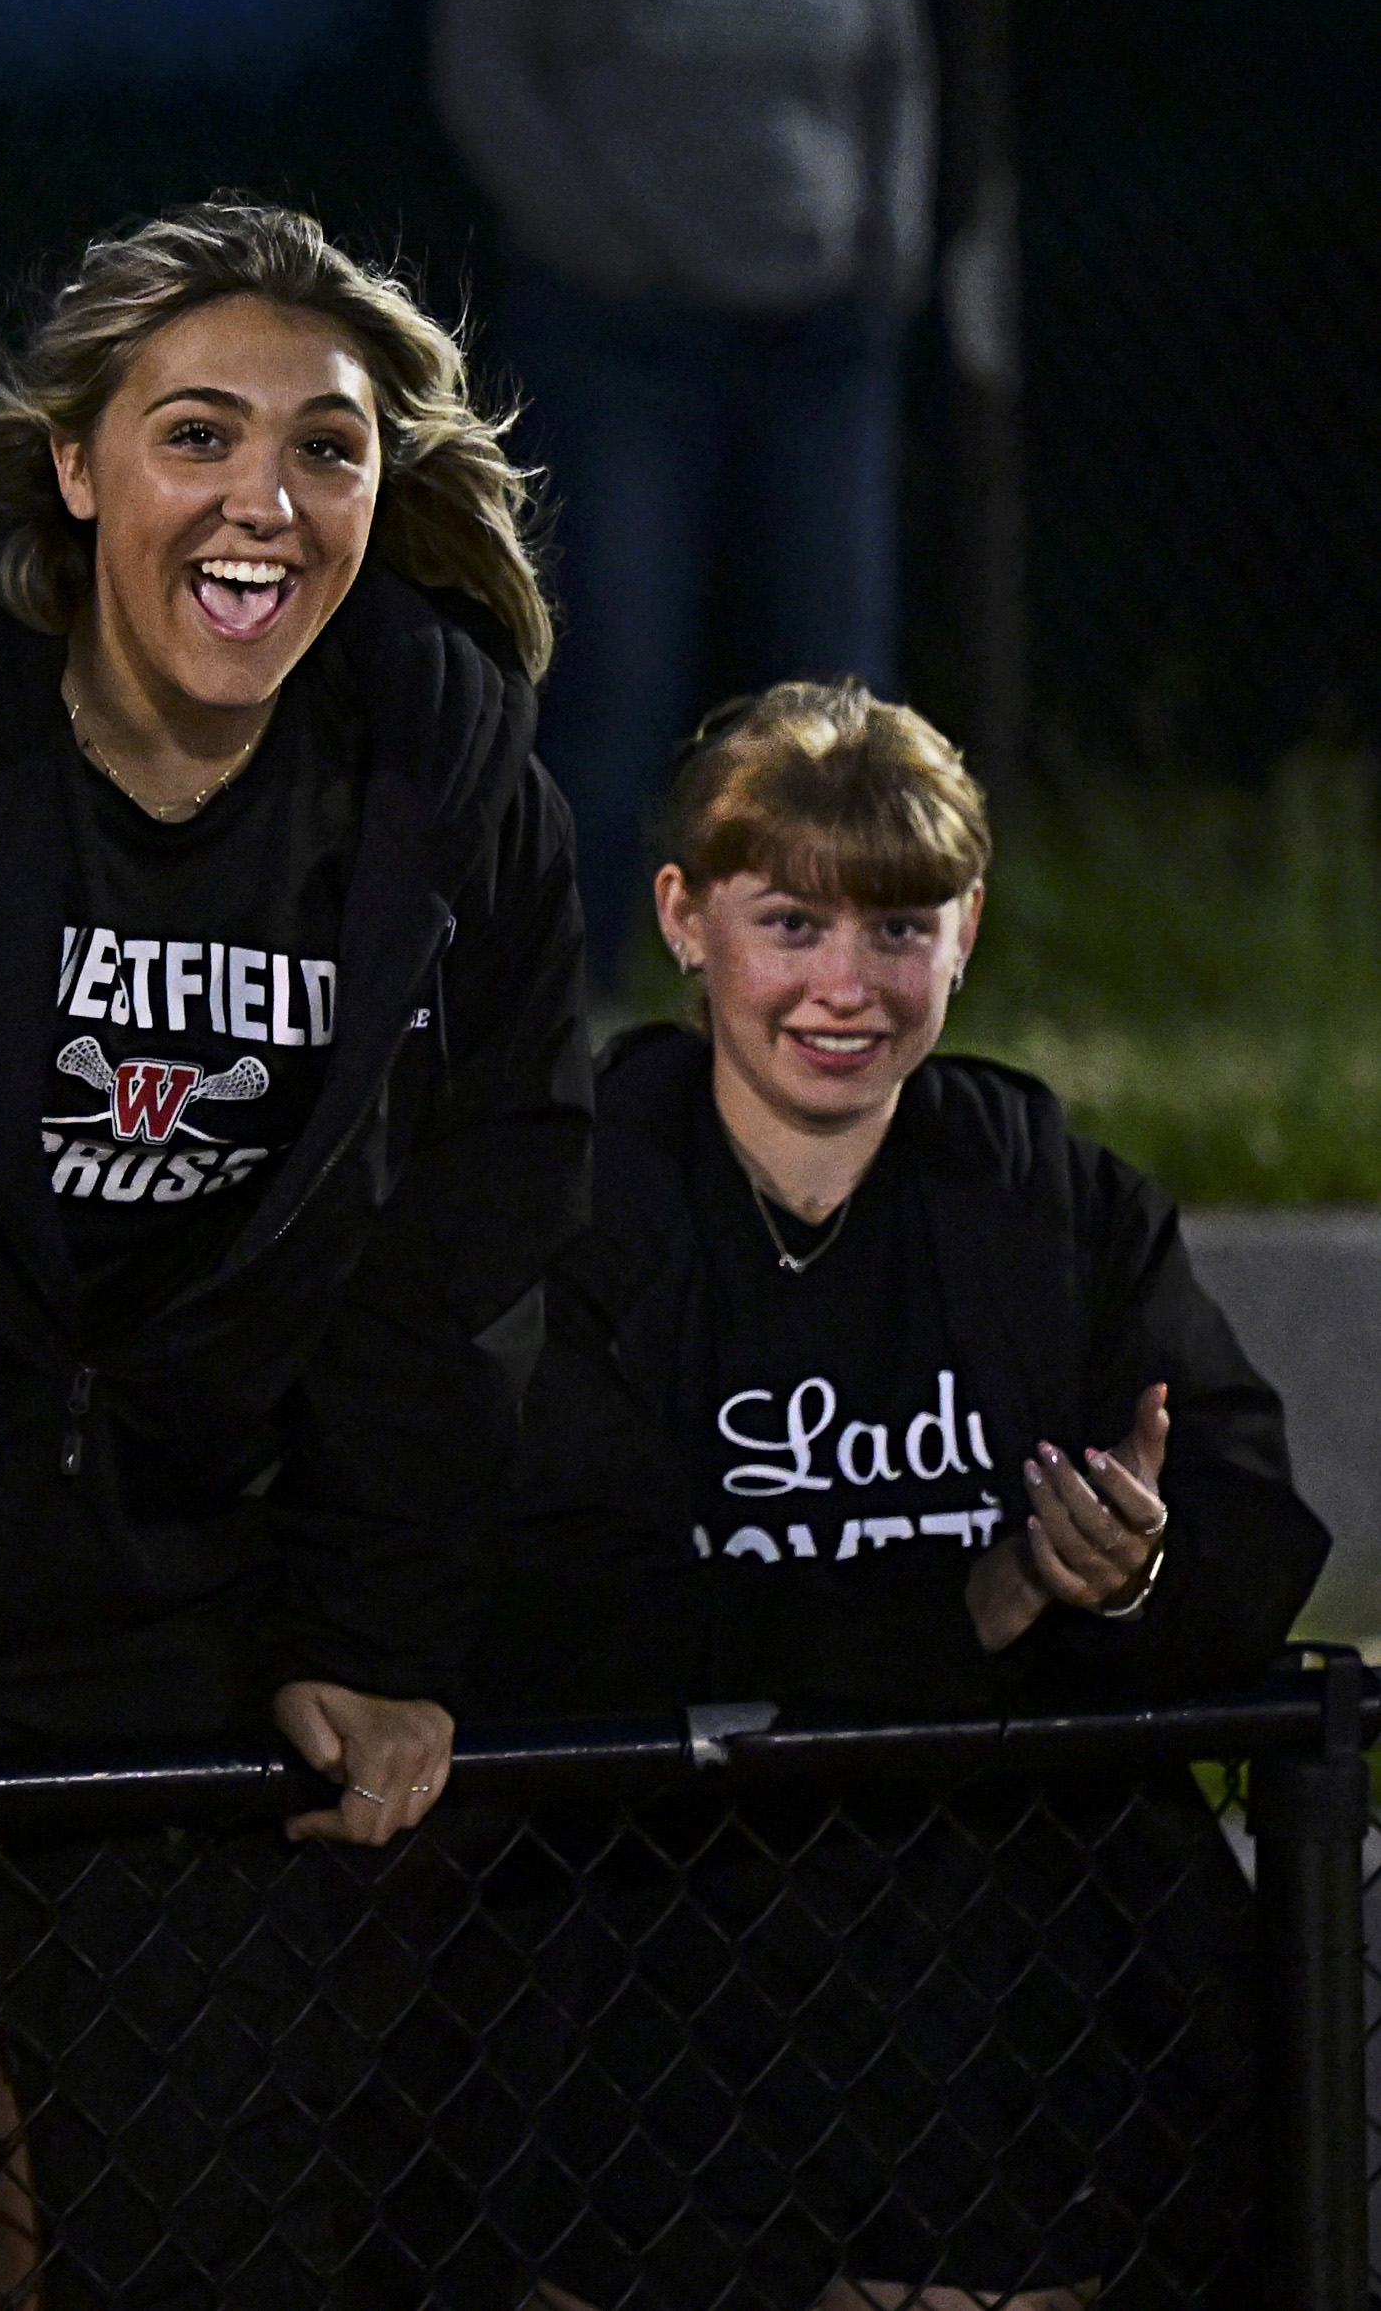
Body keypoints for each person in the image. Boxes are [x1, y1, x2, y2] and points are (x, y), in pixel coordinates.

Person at [0, 198, 587, 2307]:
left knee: (116, 2227)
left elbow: (459, 1232)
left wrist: (370, 1617)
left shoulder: (440, 780)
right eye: (196, 433)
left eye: (325, 447)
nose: (261, 496)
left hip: (179, 1578)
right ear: (74, 466)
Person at [473, 681, 1325, 2307]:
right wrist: (964, 1604)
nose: (841, 986)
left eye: (898, 925)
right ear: (680, 916)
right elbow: (555, 1594)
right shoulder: (575, 1193)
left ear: (968, 931)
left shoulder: (1039, 1186)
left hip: (996, 1963)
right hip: (668, 1932)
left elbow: (1244, 1508)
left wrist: (1128, 1569)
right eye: (787, 920)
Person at [433, 0, 934, 981]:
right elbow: (482, 73)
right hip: (620, 337)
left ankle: (844, 993)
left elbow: (895, 63)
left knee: (837, 681)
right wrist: (602, 247)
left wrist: (888, 240)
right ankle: (560, 1001)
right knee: (613, 681)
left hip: (820, 333)